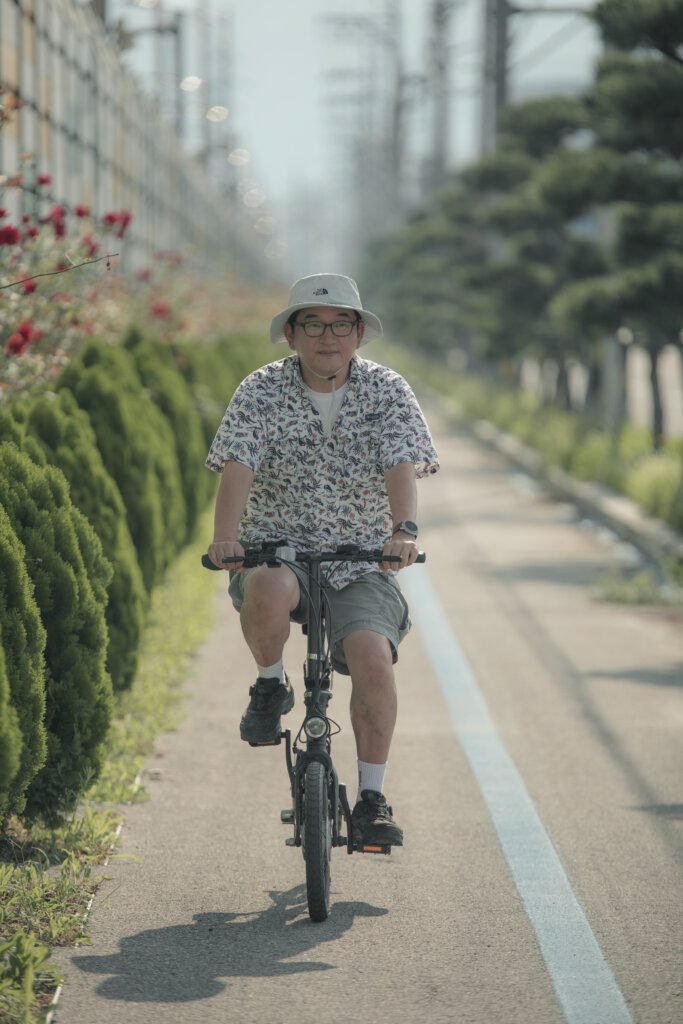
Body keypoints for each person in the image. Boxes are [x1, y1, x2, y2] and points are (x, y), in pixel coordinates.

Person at [206, 273, 438, 847]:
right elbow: (238, 465)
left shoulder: (388, 390)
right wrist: (226, 538)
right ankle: (267, 687)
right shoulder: (260, 390)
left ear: (359, 333)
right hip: (277, 549)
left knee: (372, 658)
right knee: (265, 590)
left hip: (362, 560)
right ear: (291, 334)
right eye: (312, 324)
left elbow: (401, 463)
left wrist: (403, 531)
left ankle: (372, 799)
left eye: (340, 325)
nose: (326, 337)